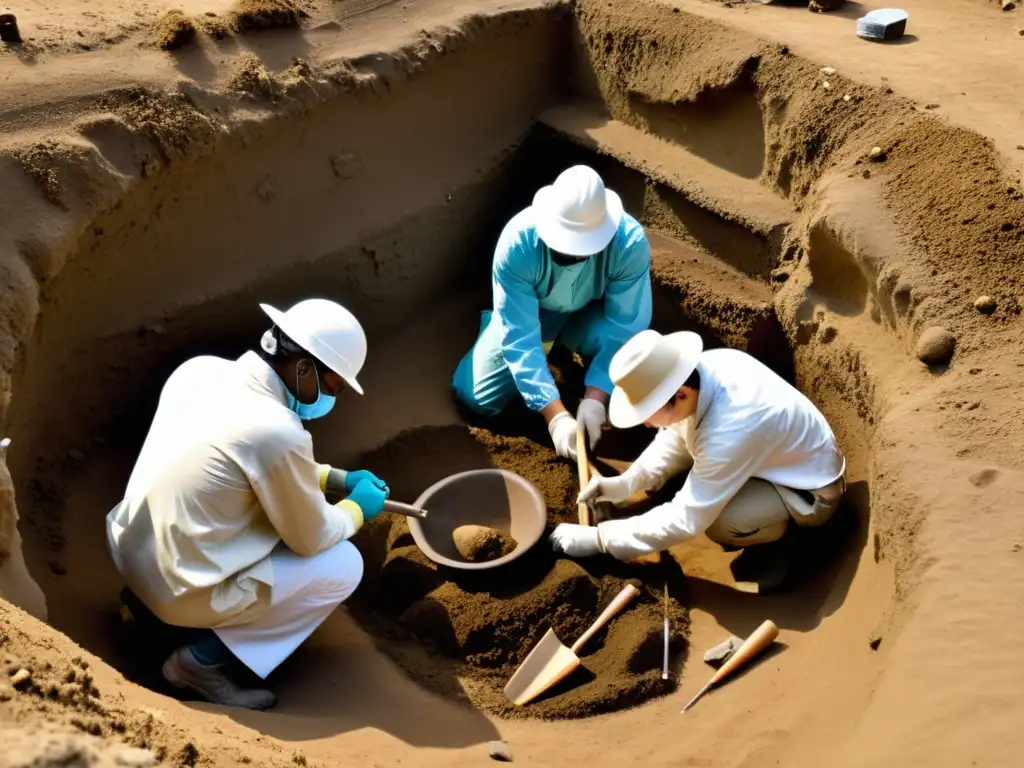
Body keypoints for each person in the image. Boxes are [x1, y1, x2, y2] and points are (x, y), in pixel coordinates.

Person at [106, 298, 390, 709]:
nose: (333, 396)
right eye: (333, 386)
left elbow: (239, 459)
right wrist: (358, 509)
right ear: (305, 368)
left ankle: (145, 614)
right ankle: (197, 664)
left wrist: (335, 479)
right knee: (343, 564)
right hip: (179, 589)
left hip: (132, 554)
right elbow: (313, 538)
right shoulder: (280, 431)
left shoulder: (200, 371)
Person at [549, 329, 846, 588]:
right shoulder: (703, 371)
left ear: (679, 393)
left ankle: (789, 541)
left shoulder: (732, 428)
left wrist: (601, 540)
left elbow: (686, 518)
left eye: (648, 413)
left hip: (809, 491)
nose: (647, 424)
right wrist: (627, 482)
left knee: (721, 525)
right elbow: (676, 436)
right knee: (703, 477)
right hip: (775, 456)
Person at [452, 165, 653, 461]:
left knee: (639, 356)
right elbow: (521, 338)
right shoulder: (517, 244)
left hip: (589, 315)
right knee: (477, 398)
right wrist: (555, 416)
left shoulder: (629, 244)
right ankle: (496, 325)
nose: (571, 254)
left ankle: (564, 352)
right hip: (533, 315)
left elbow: (626, 326)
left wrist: (596, 398)